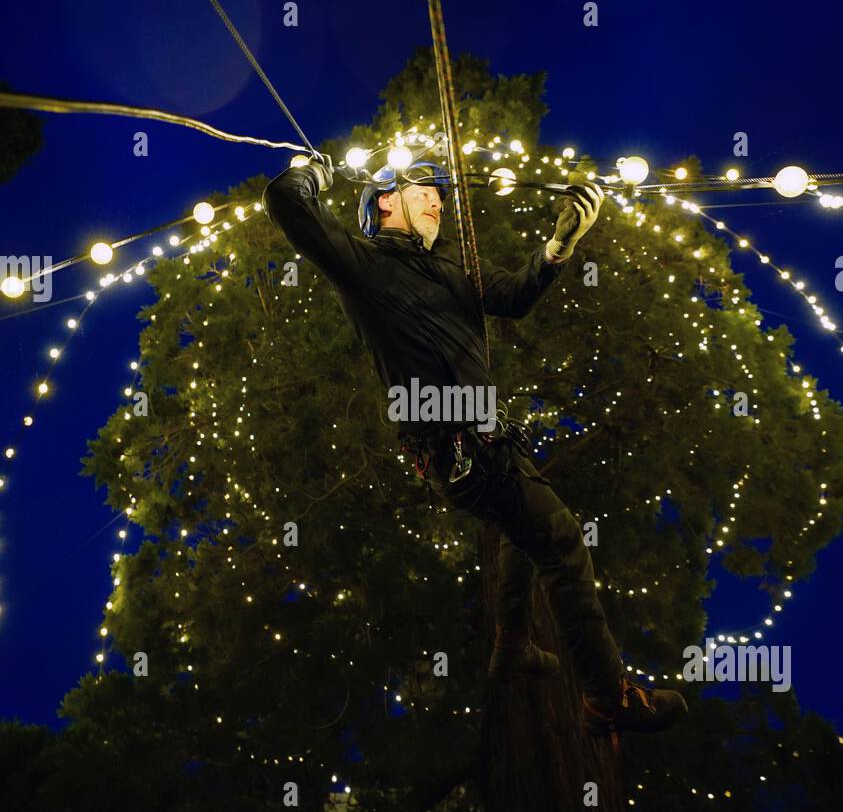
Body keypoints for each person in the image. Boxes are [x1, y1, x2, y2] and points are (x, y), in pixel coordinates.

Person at [262, 150, 687, 750]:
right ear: (385, 201)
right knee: (562, 543)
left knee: (524, 535)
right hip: (460, 451)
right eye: (424, 190)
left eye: (440, 191)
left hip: (489, 448)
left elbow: (512, 296)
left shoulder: (448, 273)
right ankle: (606, 699)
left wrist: (558, 246)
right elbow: (286, 202)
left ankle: (512, 646)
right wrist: (313, 173)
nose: (439, 198)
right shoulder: (362, 267)